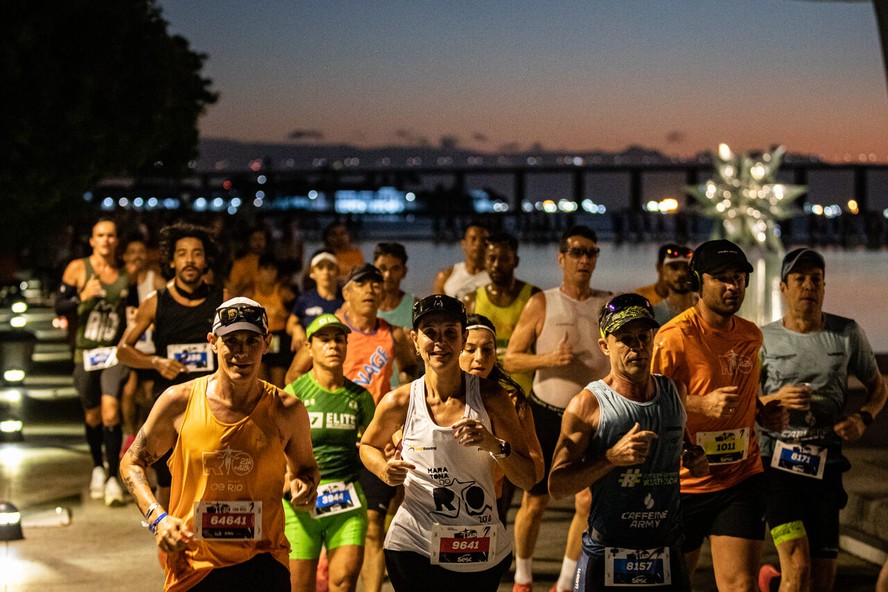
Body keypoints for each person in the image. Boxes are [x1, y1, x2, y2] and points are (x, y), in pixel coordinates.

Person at [119, 297, 319, 591]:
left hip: (263, 561)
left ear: (267, 342)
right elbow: (132, 462)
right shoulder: (179, 402)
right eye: (231, 341)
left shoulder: (287, 409)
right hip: (194, 565)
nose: (242, 352)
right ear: (212, 342)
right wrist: (158, 519)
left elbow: (306, 469)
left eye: (252, 341)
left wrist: (305, 486)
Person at [359, 295, 537, 591]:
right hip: (414, 543)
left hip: (478, 544)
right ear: (415, 340)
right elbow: (367, 446)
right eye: (430, 333)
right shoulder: (399, 401)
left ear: (462, 337)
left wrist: (495, 445)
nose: (440, 342)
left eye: (450, 333)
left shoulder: (492, 398)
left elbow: (528, 477)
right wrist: (383, 470)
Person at [650, 239, 788, 591]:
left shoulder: (751, 335)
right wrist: (700, 404)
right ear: (699, 281)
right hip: (684, 483)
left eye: (739, 278)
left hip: (741, 478)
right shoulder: (674, 337)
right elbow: (652, 405)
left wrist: (763, 412)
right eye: (722, 278)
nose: (733, 286)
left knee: (740, 586)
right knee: (675, 583)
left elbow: (742, 394)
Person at [549, 293, 709, 591]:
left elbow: (681, 446)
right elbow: (557, 485)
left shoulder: (675, 391)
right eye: (625, 339)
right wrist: (610, 458)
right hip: (608, 551)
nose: (637, 347)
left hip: (666, 549)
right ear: (604, 346)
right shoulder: (588, 405)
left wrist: (695, 458)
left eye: (643, 337)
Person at [755, 248, 887, 592]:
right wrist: (775, 399)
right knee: (798, 567)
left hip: (827, 468)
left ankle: (771, 583)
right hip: (777, 467)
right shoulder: (762, 339)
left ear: (825, 287)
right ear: (783, 287)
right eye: (799, 279)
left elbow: (878, 387)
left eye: (816, 279)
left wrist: (863, 417)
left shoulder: (847, 333)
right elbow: (744, 401)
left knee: (822, 579)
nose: (808, 286)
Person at [285, 262, 417, 592]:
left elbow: (412, 373)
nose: (372, 289)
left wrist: (402, 420)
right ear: (348, 292)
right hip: (314, 471)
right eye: (363, 284)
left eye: (377, 284)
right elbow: (292, 378)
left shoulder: (393, 335)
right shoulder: (322, 342)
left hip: (362, 455)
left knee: (370, 533)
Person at [504, 225, 613, 592]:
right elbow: (511, 359)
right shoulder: (542, 302)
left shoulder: (607, 303)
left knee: (585, 502)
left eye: (591, 253)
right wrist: (551, 358)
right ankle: (522, 579)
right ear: (562, 258)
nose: (584, 260)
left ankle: (565, 583)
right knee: (535, 503)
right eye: (577, 252)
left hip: (592, 417)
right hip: (547, 414)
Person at [117, 222, 226, 510]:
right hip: (170, 403)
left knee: (212, 478)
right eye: (182, 254)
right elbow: (122, 351)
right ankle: (167, 545)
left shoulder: (222, 299)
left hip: (213, 403)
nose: (190, 260)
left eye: (196, 254)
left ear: (206, 260)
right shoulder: (156, 302)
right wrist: (156, 362)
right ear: (171, 260)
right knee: (167, 480)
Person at [282, 314, 376, 592]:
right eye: (324, 340)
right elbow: (275, 450)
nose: (333, 345)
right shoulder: (294, 393)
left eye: (339, 339)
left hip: (346, 502)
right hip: (300, 506)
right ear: (309, 348)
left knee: (343, 582)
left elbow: (375, 443)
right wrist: (286, 483)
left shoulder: (360, 397)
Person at [56, 218, 130, 506]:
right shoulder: (77, 268)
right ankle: (98, 467)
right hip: (84, 353)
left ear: (116, 240)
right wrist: (80, 297)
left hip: (113, 353)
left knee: (111, 412)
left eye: (111, 235)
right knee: (93, 416)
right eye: (100, 235)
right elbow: (58, 306)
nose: (106, 240)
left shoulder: (125, 274)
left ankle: (113, 476)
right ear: (92, 241)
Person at [459, 314, 544, 524]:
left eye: (487, 349)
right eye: (470, 349)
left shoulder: (511, 401)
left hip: (487, 507)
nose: (479, 357)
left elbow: (537, 469)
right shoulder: (426, 394)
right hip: (433, 508)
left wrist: (498, 448)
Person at [463, 231, 540, 395]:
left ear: (516, 261)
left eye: (504, 259)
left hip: (523, 392)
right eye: (491, 259)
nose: (497, 265)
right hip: (481, 392)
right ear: (484, 261)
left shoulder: (534, 297)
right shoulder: (471, 301)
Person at [121, 236, 166, 452]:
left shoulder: (155, 280)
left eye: (142, 251)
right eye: (133, 251)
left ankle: (145, 434)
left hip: (150, 348)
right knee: (129, 391)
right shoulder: (121, 281)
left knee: (149, 395)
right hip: (128, 347)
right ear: (125, 256)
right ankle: (129, 434)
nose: (138, 256)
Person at [374, 241, 420, 391]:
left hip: (406, 389)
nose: (388, 275)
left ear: (404, 271)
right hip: (370, 390)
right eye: (382, 268)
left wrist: (414, 348)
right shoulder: (364, 306)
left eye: (395, 268)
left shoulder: (416, 305)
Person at [246, 254, 296, 388]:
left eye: (273, 270)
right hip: (259, 338)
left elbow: (296, 313)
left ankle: (278, 408)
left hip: (279, 338)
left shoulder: (283, 292)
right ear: (258, 272)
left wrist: (286, 314)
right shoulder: (250, 292)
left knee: (278, 384)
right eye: (266, 269)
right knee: (261, 383)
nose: (270, 274)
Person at [286, 249, 343, 352]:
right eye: (320, 268)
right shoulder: (305, 299)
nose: (326, 272)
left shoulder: (345, 300)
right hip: (309, 352)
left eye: (330, 268)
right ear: (312, 273)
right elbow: (290, 324)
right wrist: (296, 329)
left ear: (338, 272)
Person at [432, 222, 491, 299]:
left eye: (484, 240)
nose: (478, 244)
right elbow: (437, 309)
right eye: (473, 239)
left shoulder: (496, 278)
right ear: (463, 244)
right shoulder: (446, 276)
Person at [647, 245, 697, 326]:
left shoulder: (707, 311)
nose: (681, 273)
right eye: (674, 267)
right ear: (663, 271)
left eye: (687, 268)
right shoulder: (654, 316)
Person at [227, 226, 269, 297]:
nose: (258, 243)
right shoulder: (240, 264)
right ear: (248, 241)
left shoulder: (270, 263)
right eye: (254, 239)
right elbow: (233, 289)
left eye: (261, 239)